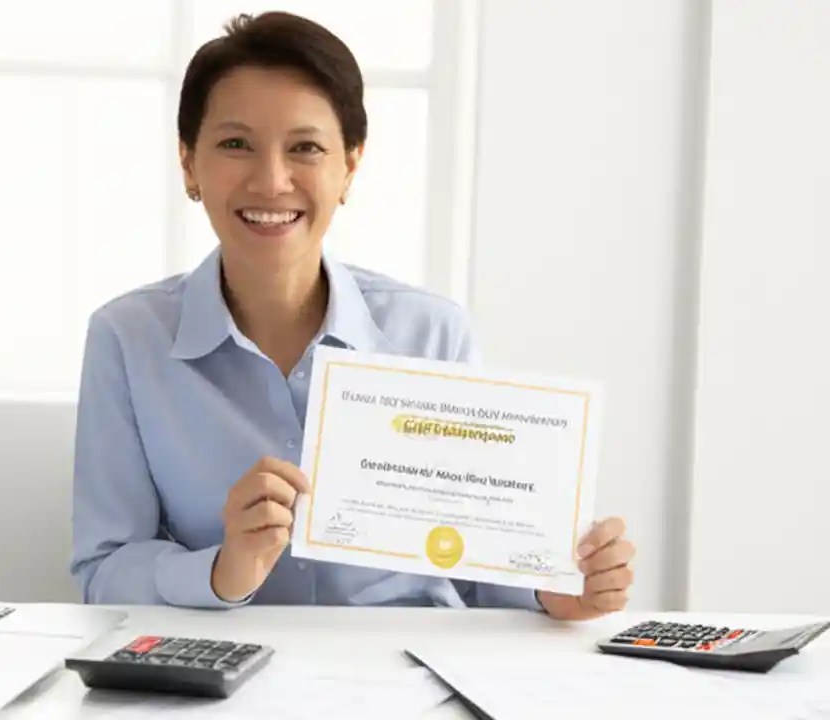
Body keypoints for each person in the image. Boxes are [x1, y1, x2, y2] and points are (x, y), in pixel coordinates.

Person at [69, 12, 634, 620]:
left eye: (305, 148)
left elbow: (484, 570)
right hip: (225, 677)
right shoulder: (127, 339)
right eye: (236, 144)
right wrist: (220, 570)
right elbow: (104, 570)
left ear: (350, 167)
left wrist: (559, 585)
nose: (271, 180)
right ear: (188, 164)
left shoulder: (433, 334)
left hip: (412, 673)